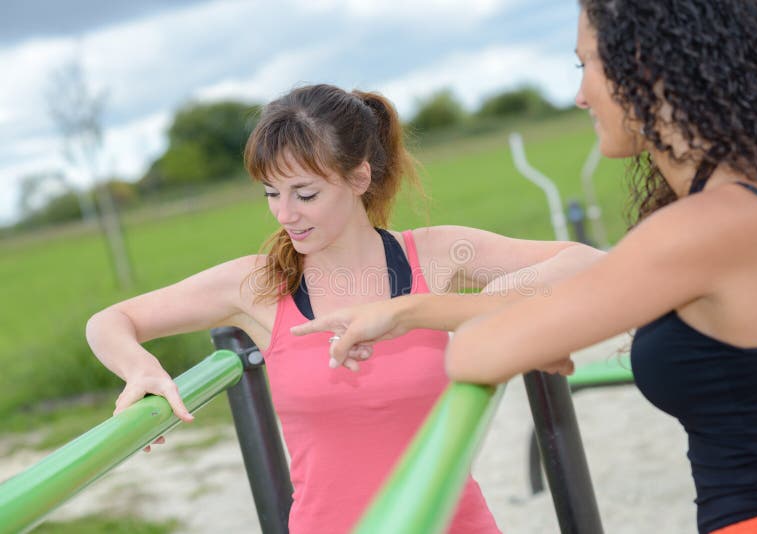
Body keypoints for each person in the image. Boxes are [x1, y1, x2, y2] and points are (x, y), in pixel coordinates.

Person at [292, 2, 757, 533]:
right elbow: (588, 292)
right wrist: (409, 311)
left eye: (586, 65)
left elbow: (477, 350)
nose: (580, 96)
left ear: (649, 69)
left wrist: (529, 333)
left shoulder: (706, 227)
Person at [86, 83, 603, 533]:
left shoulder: (436, 255)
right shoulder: (259, 284)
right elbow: (109, 321)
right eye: (271, 193)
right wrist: (139, 369)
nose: (284, 214)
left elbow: (589, 264)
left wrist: (441, 309)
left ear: (359, 178)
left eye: (305, 194)